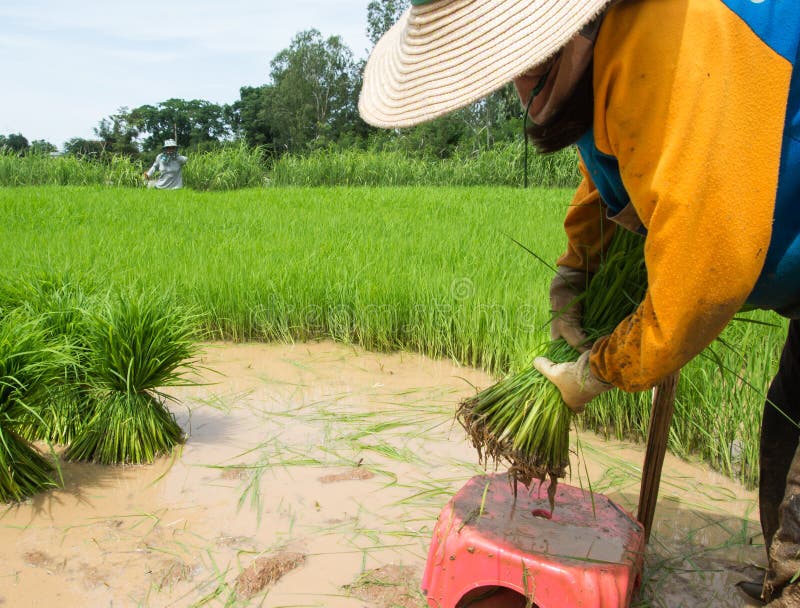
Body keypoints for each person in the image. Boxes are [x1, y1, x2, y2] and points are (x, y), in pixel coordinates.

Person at [359, 1, 800, 605]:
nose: (517, 87)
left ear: (564, 32)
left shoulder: (672, 43)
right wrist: (575, 268)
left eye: (518, 63)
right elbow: (613, 171)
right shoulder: (604, 65)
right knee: (786, 430)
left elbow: (704, 280)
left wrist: (597, 369)